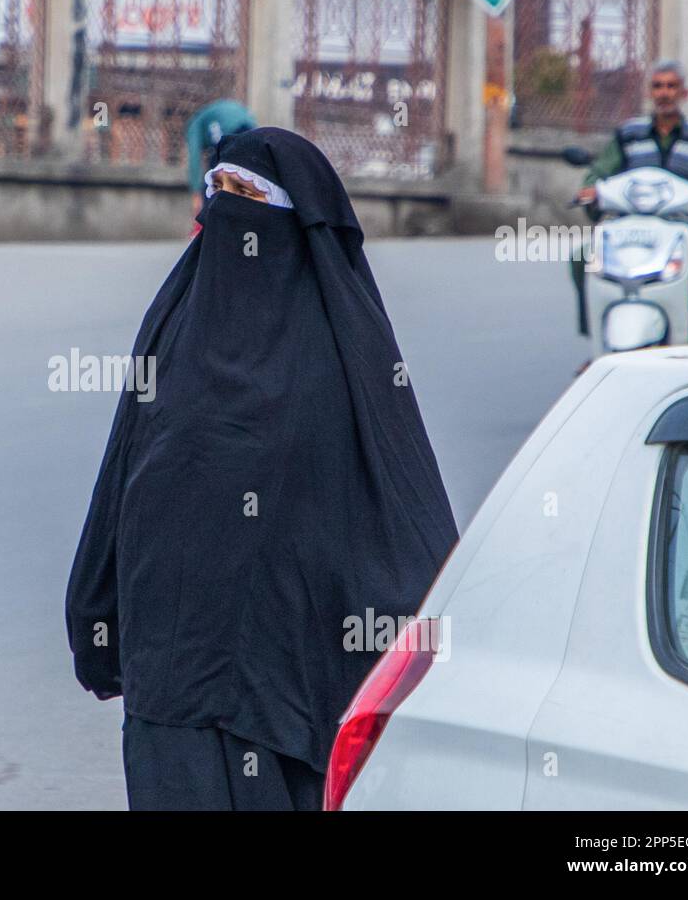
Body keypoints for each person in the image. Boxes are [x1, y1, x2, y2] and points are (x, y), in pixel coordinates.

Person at [65, 127, 459, 810]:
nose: (226, 209)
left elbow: (397, 502)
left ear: (293, 219)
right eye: (216, 189)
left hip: (285, 678)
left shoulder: (345, 350)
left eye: (246, 193)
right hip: (174, 663)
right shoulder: (176, 324)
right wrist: (94, 612)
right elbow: (122, 471)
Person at [571, 59, 688, 342]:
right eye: (658, 86)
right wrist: (590, 190)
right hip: (632, 230)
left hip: (687, 231)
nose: (664, 93)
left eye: (671, 86)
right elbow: (601, 170)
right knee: (582, 258)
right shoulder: (628, 134)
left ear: (684, 93)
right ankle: (596, 334)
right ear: (649, 92)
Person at [186, 99, 257, 216]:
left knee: (213, 178)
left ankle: (207, 217)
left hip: (232, 131)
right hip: (249, 125)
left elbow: (194, 159)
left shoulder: (193, 127)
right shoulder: (208, 116)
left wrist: (196, 193)